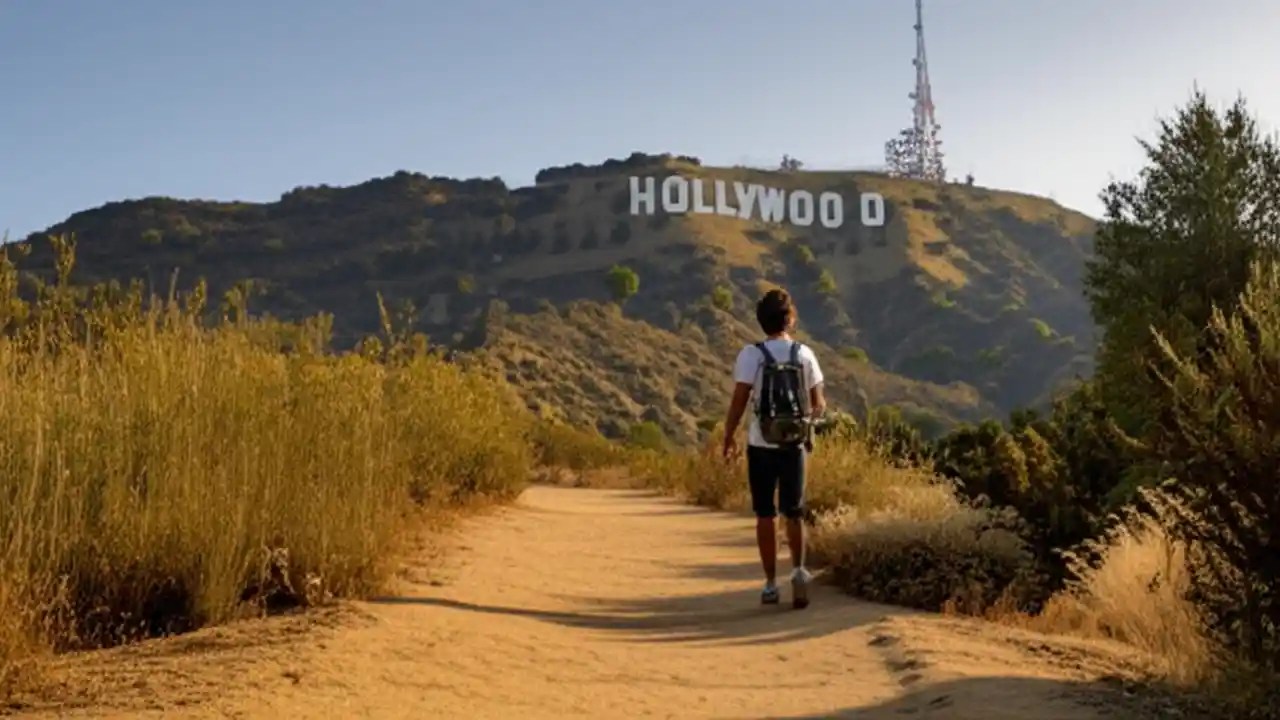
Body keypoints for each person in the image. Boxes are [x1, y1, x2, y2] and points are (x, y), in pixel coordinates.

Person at [721, 288, 825, 609]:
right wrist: (803, 422)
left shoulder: (751, 355)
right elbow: (819, 404)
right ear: (790, 319)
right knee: (794, 512)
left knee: (765, 513)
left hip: (760, 443)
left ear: (760, 321)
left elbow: (739, 401)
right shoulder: (804, 354)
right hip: (794, 445)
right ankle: (798, 572)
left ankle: (769, 584)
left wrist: (728, 435)